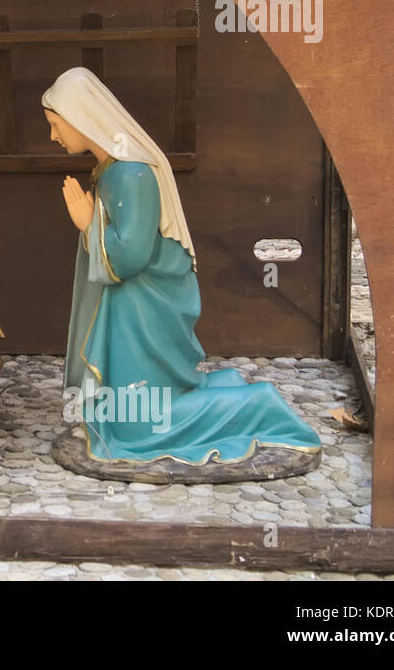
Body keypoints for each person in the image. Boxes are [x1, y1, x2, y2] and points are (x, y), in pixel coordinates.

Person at [42, 66, 320, 465]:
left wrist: (88, 224)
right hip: (128, 311)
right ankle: (222, 390)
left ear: (80, 117)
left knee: (143, 425)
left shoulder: (132, 174)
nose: (53, 135)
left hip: (144, 312)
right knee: (129, 415)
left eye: (55, 124)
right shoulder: (110, 171)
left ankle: (260, 405)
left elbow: (132, 257)